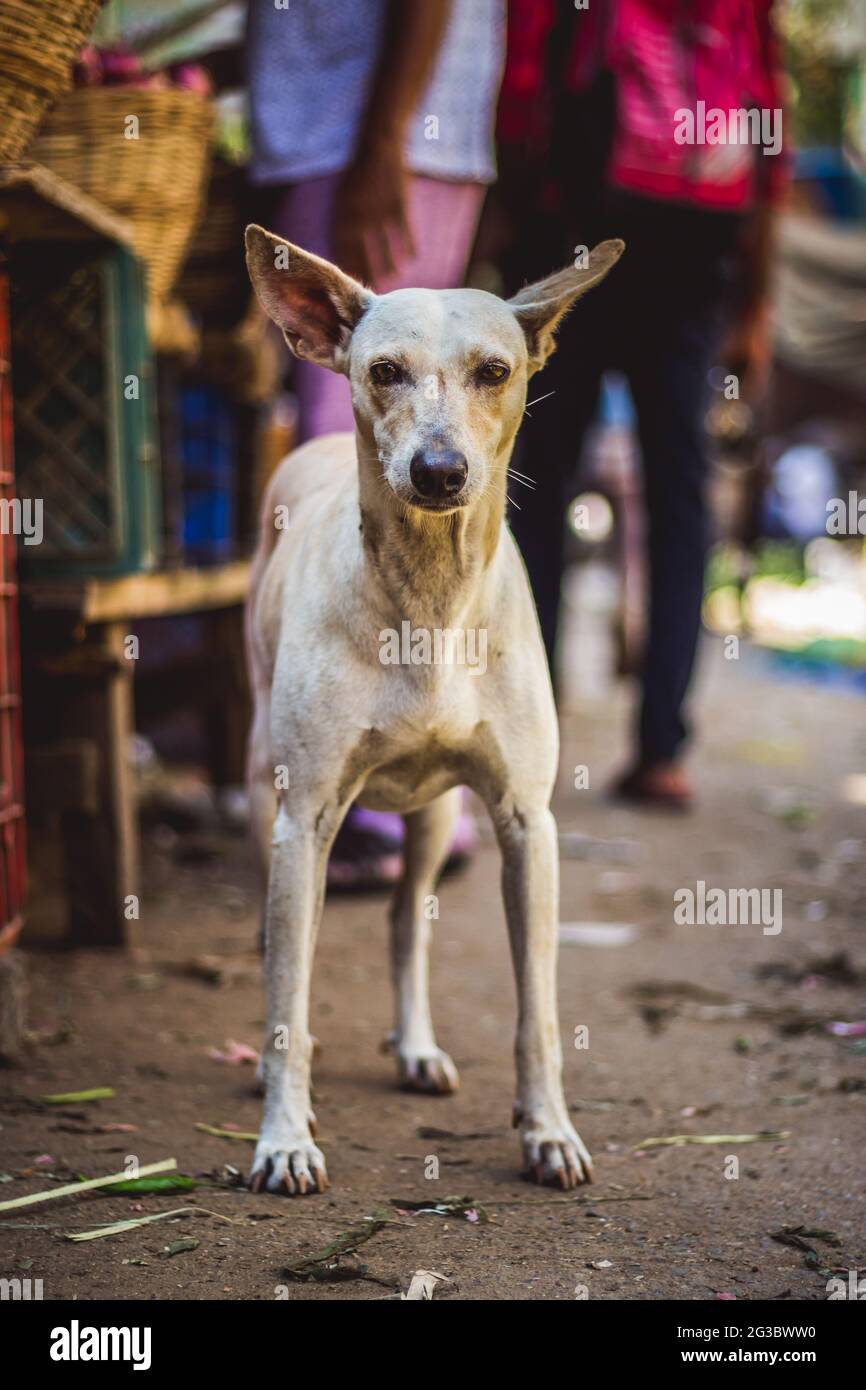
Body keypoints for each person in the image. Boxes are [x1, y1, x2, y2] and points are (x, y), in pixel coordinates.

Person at [498, 0, 788, 809]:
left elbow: (522, 95)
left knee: (536, 483)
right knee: (679, 493)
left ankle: (531, 729)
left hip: (573, 234)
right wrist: (755, 300)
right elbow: (770, 129)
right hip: (694, 251)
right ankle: (662, 748)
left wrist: (513, 231)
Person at [247, 0, 506, 881]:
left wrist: (383, 144)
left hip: (378, 142)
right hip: (376, 136)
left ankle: (381, 814)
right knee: (402, 448)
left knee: (362, 446)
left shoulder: (381, 138)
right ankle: (417, 803)